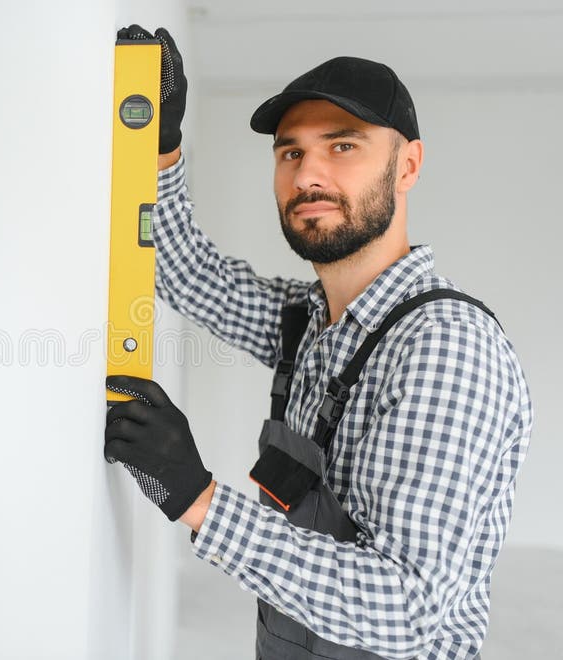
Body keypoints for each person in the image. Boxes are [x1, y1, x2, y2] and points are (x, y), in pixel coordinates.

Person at [104, 25, 533, 660]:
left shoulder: (445, 347)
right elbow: (184, 271)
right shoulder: (311, 323)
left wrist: (198, 498)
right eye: (291, 153)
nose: (309, 175)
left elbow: (406, 607)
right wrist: (159, 148)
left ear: (407, 164)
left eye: (342, 146)